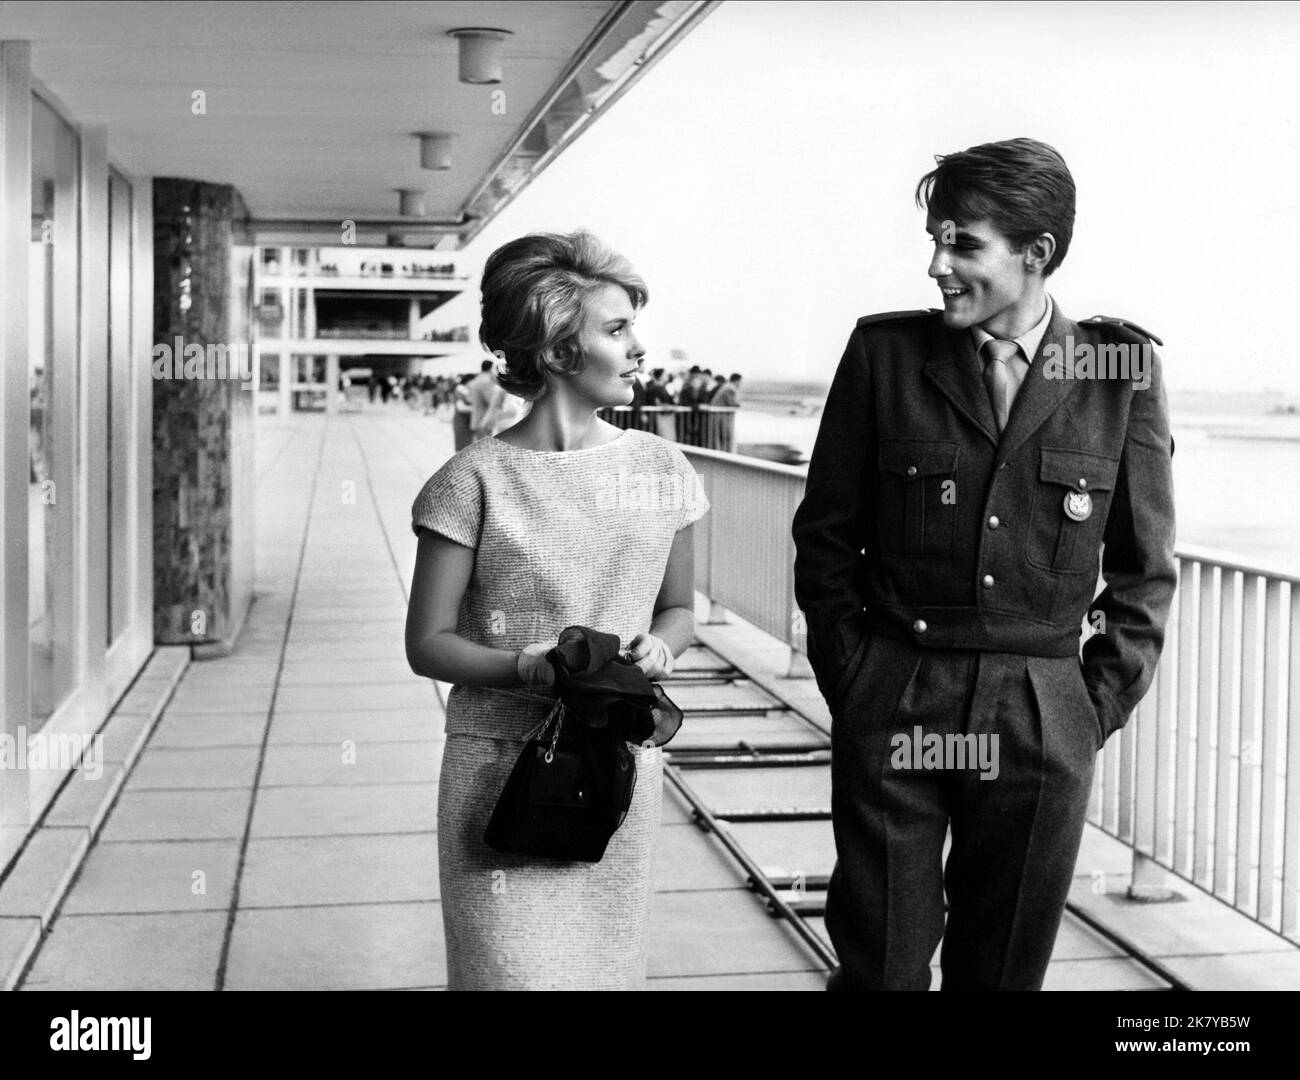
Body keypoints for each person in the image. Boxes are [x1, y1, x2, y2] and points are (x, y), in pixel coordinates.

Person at [792, 138, 1176, 991]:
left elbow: (1143, 568)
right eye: (937, 239)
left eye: (964, 244)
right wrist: (855, 676)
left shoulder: (1113, 369)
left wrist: (1092, 704)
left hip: (1038, 712)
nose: (938, 264)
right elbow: (825, 537)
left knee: (1002, 969)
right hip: (902, 694)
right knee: (882, 958)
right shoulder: (887, 357)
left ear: (1035, 253)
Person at [405, 230, 709, 990]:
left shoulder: (661, 469)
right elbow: (427, 643)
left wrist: (663, 648)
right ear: (557, 353)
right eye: (616, 329)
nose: (638, 348)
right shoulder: (471, 480)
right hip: (495, 768)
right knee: (508, 976)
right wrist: (526, 667)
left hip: (614, 769)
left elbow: (680, 609)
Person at [468, 359, 503, 441]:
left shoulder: (477, 379)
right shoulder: (486, 381)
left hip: (478, 418)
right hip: (484, 420)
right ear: (491, 368)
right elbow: (491, 400)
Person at [451, 373, 474, 451]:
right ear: (468, 381)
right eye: (473, 381)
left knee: (468, 447)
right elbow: (460, 407)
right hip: (461, 422)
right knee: (462, 448)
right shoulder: (459, 390)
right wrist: (476, 409)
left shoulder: (468, 391)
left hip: (467, 422)